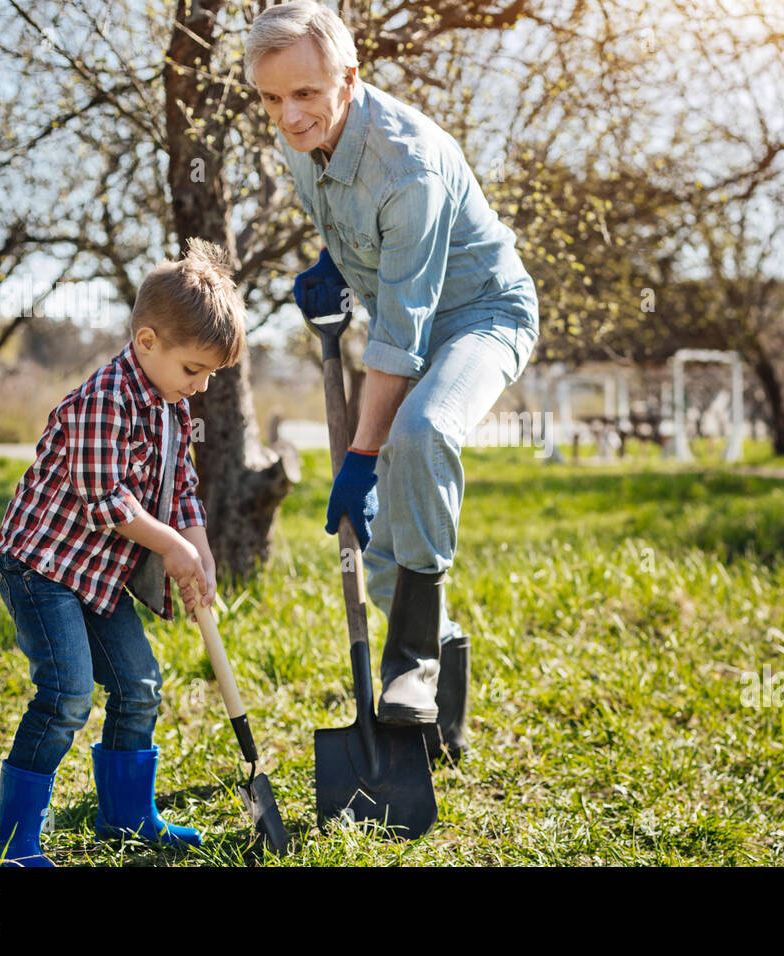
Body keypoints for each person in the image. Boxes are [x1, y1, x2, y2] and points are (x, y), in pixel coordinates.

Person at [245, 1, 539, 762]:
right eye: (271, 99)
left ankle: (409, 660)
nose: (288, 115)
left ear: (349, 77)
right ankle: (441, 706)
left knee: (421, 432)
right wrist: (329, 265)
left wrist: (361, 456)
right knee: (379, 546)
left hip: (479, 316)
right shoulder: (299, 139)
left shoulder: (408, 165)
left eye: (305, 94)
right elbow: (345, 227)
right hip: (409, 322)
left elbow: (401, 338)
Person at [0, 240, 247, 866]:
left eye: (211, 375)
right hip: (43, 570)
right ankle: (15, 842)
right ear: (148, 341)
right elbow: (105, 498)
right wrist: (173, 547)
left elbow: (180, 488)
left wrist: (200, 553)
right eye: (194, 370)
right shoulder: (104, 398)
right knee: (68, 693)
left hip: (98, 578)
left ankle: (126, 817)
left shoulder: (173, 409)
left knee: (139, 686)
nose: (202, 387)